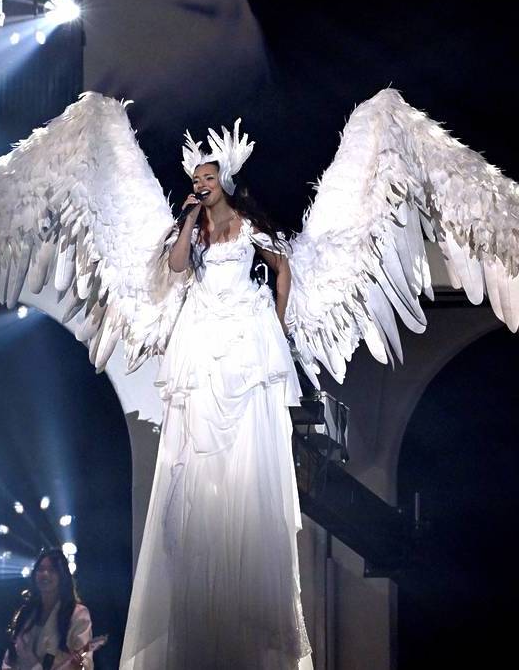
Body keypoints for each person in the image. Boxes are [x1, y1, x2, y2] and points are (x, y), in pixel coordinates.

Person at [120, 125, 312, 669]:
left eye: (208, 176)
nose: (201, 183)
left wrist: (275, 322)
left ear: (224, 180)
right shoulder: (196, 231)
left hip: (243, 337)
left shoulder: (249, 225)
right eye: (196, 178)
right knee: (198, 463)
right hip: (203, 336)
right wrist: (185, 218)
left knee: (244, 463)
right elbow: (176, 267)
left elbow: (281, 268)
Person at [2, 548, 94, 670]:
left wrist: (35, 666)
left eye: (52, 570)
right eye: (41, 569)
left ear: (62, 576)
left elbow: (84, 663)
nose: (45, 574)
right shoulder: (26, 612)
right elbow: (10, 658)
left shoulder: (78, 614)